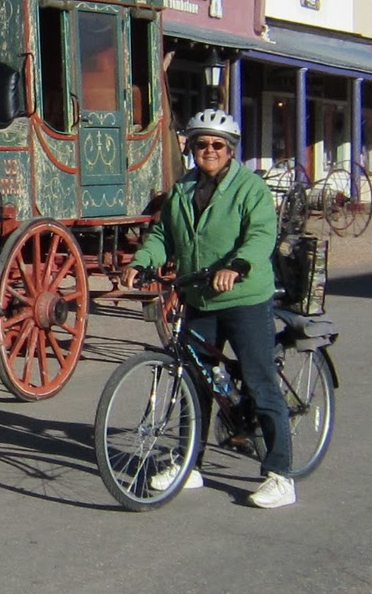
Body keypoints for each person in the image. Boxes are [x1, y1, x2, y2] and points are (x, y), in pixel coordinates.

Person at [122, 109, 295, 509]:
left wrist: (235, 266)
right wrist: (142, 261)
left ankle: (279, 473)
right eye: (202, 144)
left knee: (258, 380)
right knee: (194, 383)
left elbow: (261, 234)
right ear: (192, 148)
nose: (209, 151)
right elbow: (164, 234)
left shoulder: (250, 188)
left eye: (218, 145)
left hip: (245, 297)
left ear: (230, 150)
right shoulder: (183, 188)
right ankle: (189, 464)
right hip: (198, 297)